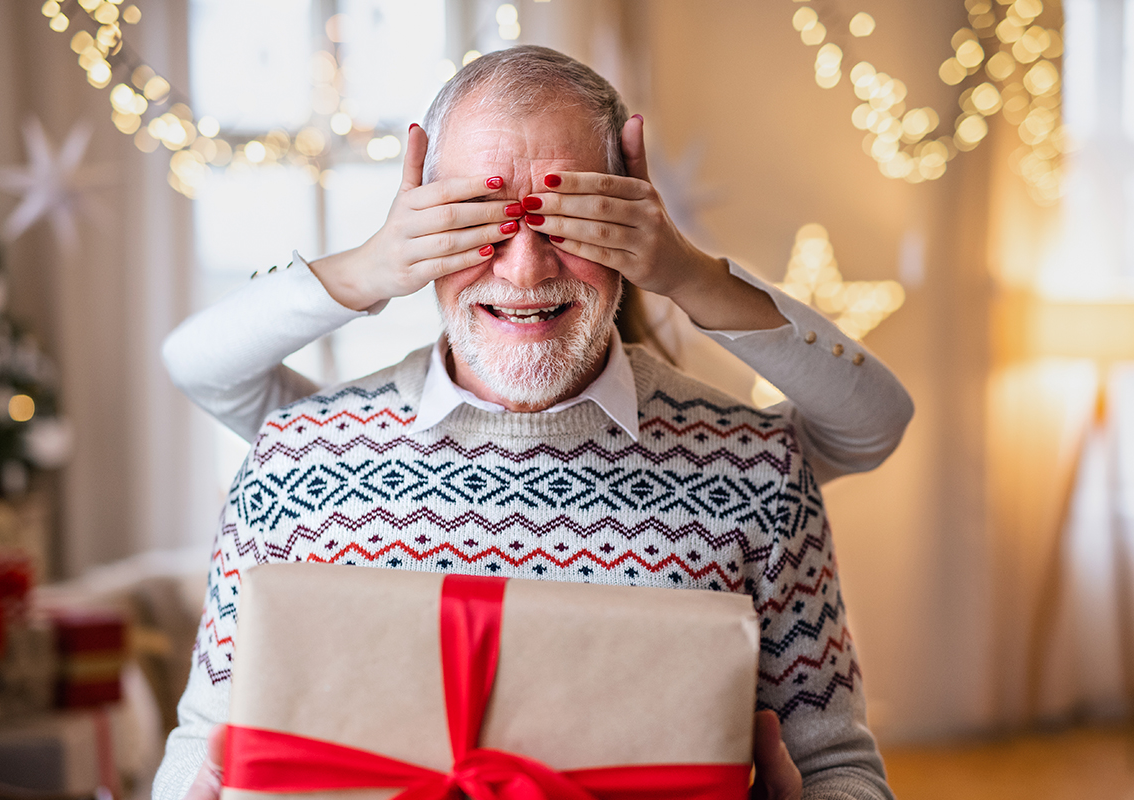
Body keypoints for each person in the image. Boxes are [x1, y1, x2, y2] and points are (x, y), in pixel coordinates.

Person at [155, 45, 911, 800]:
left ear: (630, 224)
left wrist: (682, 269)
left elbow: (839, 770)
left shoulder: (757, 471)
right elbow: (203, 744)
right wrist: (372, 265)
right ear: (420, 225)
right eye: (474, 219)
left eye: (571, 220)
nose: (524, 270)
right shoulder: (297, 460)